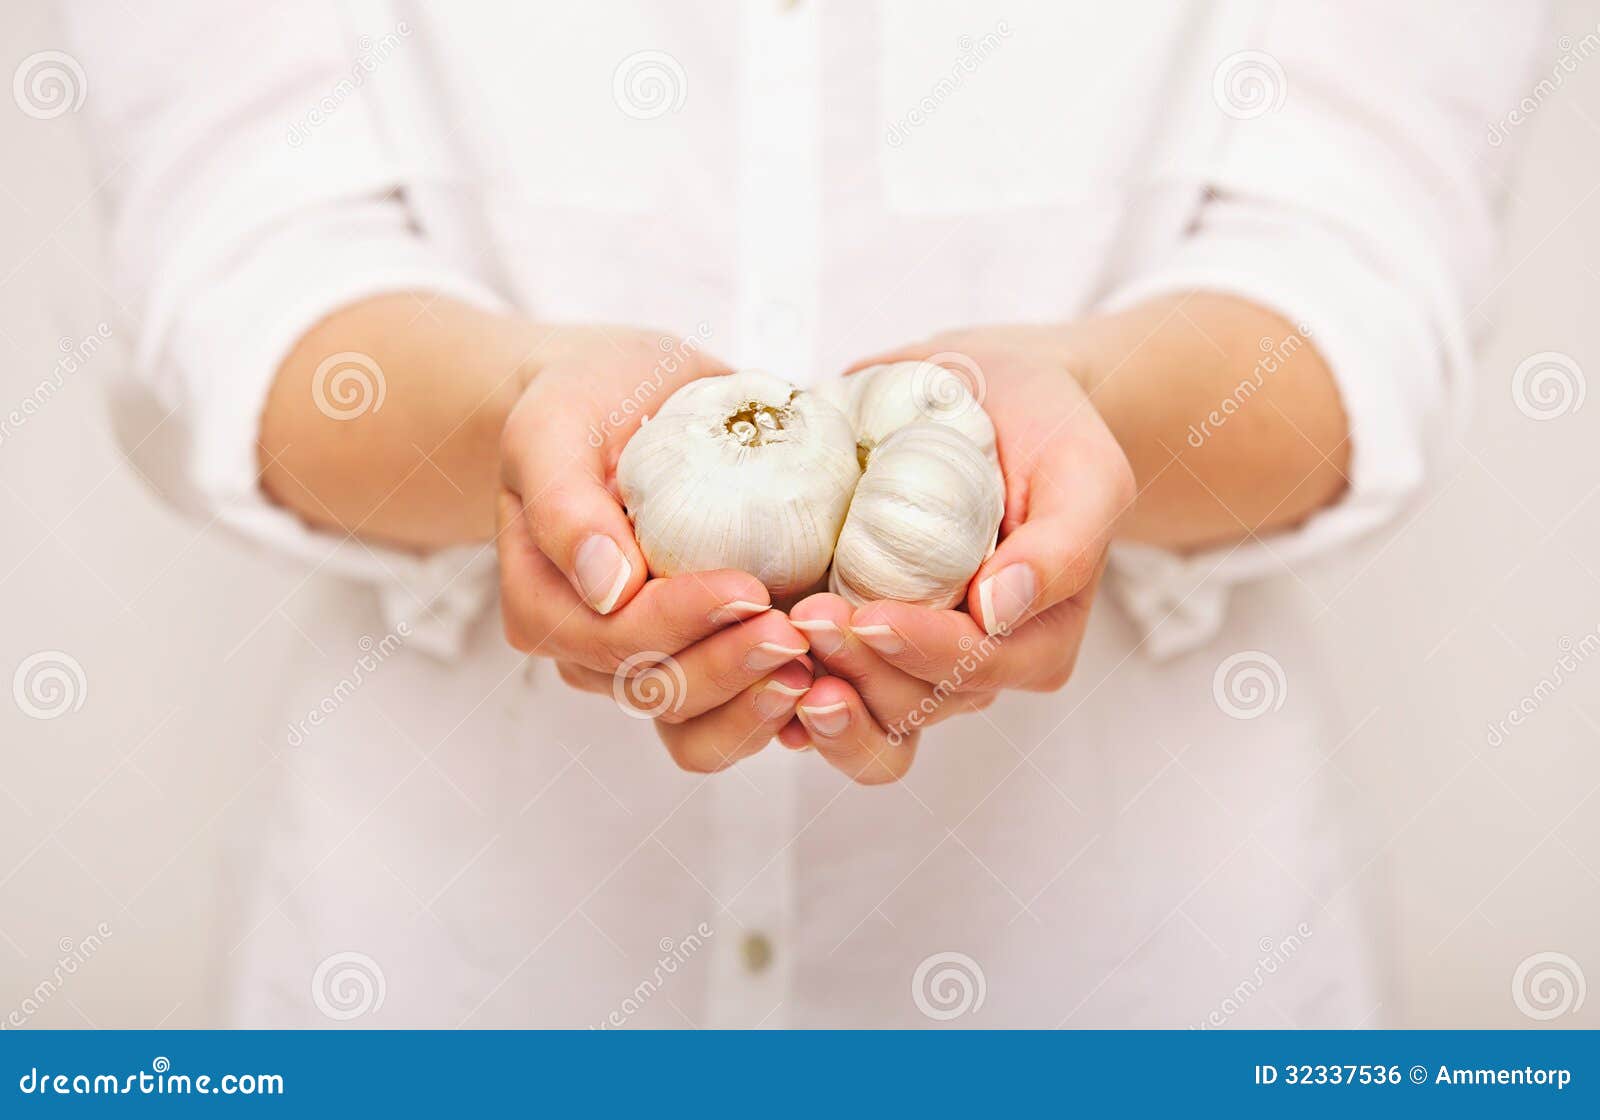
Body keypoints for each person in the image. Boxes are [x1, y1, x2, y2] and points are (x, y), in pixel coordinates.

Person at [63, 0, 1538, 1026]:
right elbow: (236, 258)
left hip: (1137, 976)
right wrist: (514, 409)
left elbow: (1364, 261)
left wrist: (1093, 406)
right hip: (456, 973)